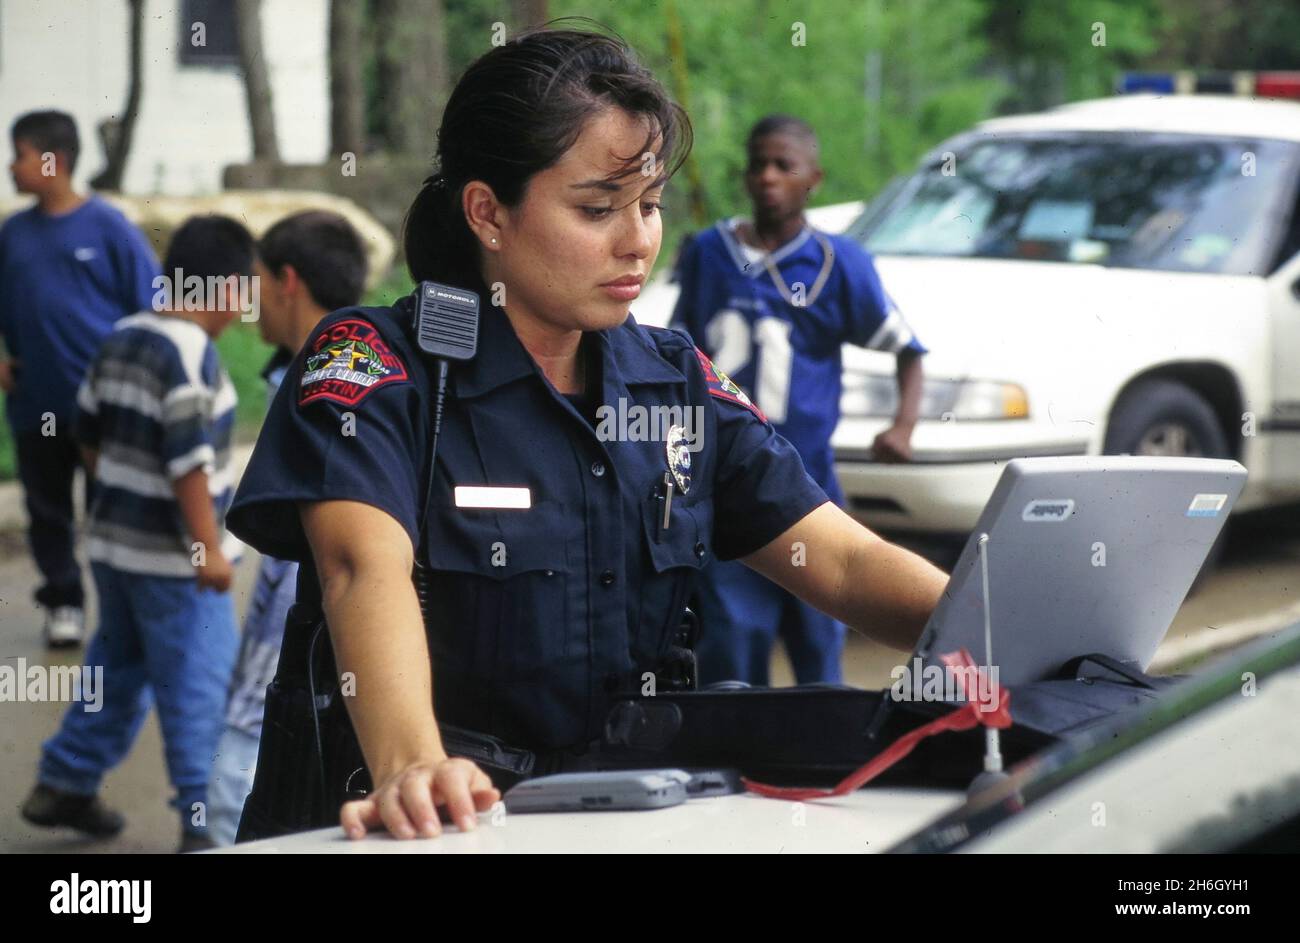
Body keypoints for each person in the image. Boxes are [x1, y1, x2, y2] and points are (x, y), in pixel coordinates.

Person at [226, 24, 947, 843]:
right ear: (487, 213)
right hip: (422, 831)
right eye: (597, 208)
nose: (638, 239)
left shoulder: (672, 381)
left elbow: (845, 562)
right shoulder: (377, 365)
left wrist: (1004, 624)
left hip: (617, 825)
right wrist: (413, 766)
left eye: (649, 206)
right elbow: (362, 568)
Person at [20, 215, 251, 853]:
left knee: (116, 670)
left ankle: (65, 781)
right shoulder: (189, 355)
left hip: (114, 552)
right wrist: (206, 548)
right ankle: (206, 826)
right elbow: (188, 466)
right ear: (228, 291)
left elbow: (88, 437)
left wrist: (126, 490)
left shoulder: (120, 336)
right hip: (176, 567)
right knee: (200, 690)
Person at [671, 115, 927, 686]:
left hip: (808, 478)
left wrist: (901, 427)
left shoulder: (840, 263)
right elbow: (679, 350)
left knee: (820, 630)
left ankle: (823, 763)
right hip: (723, 475)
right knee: (734, 638)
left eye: (783, 166)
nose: (767, 177)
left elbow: (908, 350)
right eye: (758, 163)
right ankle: (735, 762)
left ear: (813, 178)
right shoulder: (709, 251)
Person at [206, 210, 369, 846]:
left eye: (258, 282)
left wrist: (254, 701)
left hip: (289, 683)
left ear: (288, 281)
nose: (251, 305)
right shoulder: (334, 375)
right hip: (293, 681)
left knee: (237, 809)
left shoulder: (329, 391)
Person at [0, 110, 160, 647]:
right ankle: (63, 601)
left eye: (18, 153)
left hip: (106, 408)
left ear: (53, 160)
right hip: (34, 404)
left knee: (109, 510)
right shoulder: (12, 236)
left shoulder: (110, 227)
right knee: (46, 508)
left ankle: (120, 610)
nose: (10, 166)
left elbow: (151, 308)